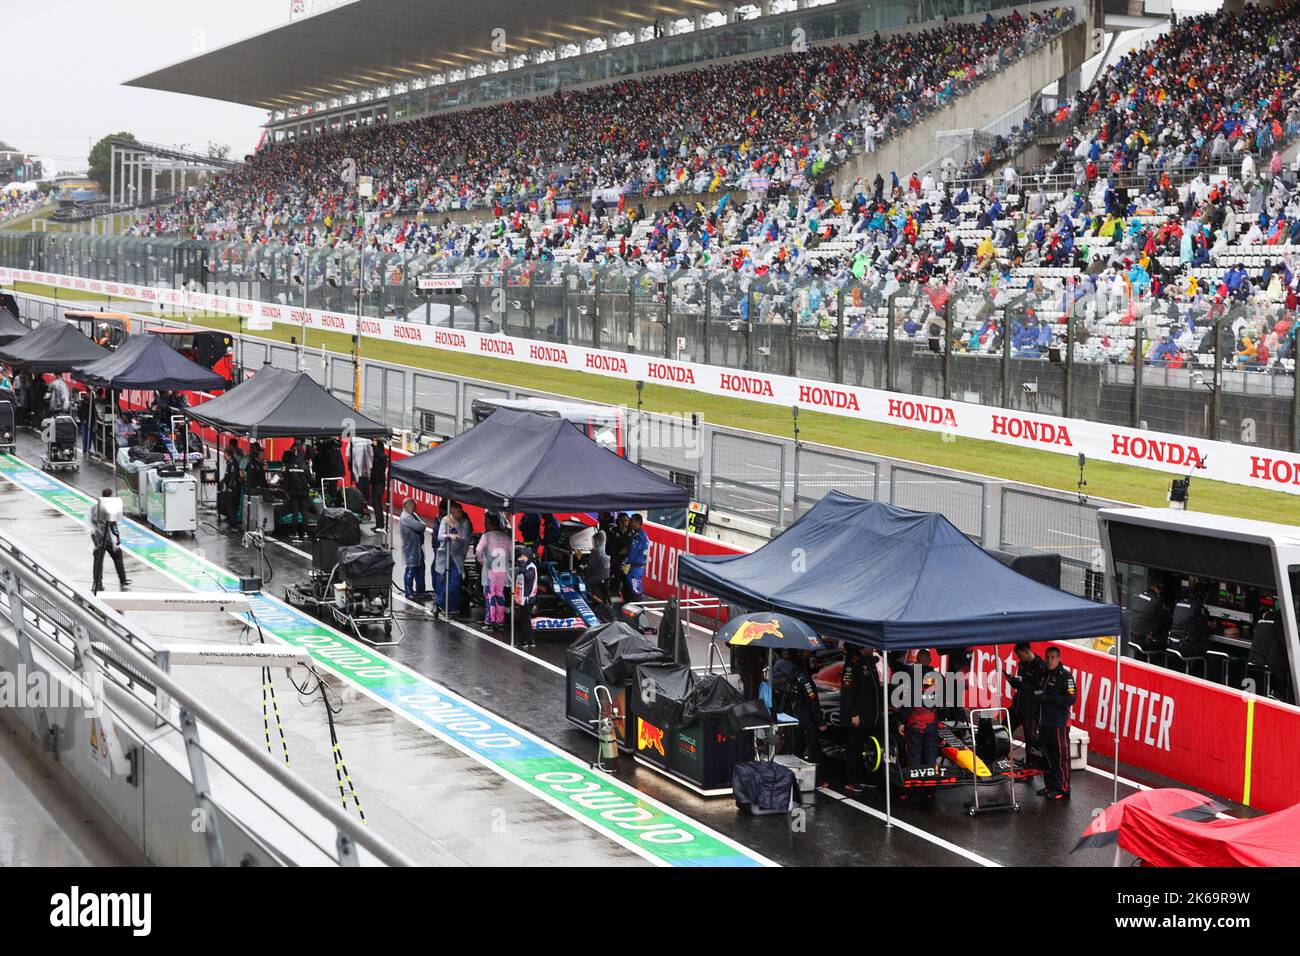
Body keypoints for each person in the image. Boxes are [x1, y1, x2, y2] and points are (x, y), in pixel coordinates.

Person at [1035, 645, 1077, 799]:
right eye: (1047, 657)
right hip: (1044, 722)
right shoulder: (1043, 674)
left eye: (1052, 657)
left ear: (1059, 659)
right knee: (1046, 756)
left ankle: (1063, 788)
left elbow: (1071, 699)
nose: (1049, 660)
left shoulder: (1066, 676)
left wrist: (1050, 698)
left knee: (1060, 756)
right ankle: (1050, 786)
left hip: (1058, 724)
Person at [841, 644, 882, 793]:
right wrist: (853, 713)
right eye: (869, 645)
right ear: (861, 647)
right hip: (858, 715)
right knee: (855, 747)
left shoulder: (870, 661)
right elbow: (848, 691)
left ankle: (867, 778)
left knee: (870, 747)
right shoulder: (852, 665)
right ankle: (852, 780)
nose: (872, 647)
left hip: (872, 714)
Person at [771, 648, 825, 764]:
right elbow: (812, 699)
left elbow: (785, 694)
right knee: (812, 747)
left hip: (788, 716)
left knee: (795, 748)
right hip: (804, 716)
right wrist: (820, 722)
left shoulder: (780, 666)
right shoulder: (800, 675)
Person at [1007, 641, 1046, 768]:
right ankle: (1003, 756)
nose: (1019, 658)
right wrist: (1012, 681)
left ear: (1027, 651)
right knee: (1004, 728)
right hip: (1018, 705)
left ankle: (1031, 763)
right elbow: (1020, 683)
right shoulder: (1022, 665)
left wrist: (1023, 685)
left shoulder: (1041, 667)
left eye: (1020, 655)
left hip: (1031, 710)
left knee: (1030, 738)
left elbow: (1039, 690)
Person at [900, 650, 940, 770]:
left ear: (917, 660)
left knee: (914, 755)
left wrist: (902, 721)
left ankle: (916, 785)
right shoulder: (937, 677)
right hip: (932, 723)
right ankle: (931, 785)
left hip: (916, 722)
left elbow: (908, 700)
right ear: (930, 660)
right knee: (931, 754)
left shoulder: (913, 675)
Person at [433, 501, 472, 616]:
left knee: (455, 582)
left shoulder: (464, 522)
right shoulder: (445, 520)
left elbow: (464, 538)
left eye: (459, 512)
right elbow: (440, 536)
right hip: (444, 554)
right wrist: (451, 536)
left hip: (457, 556)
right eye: (455, 512)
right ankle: (445, 606)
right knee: (441, 580)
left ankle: (442, 603)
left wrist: (453, 530)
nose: (458, 514)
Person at [88, 488, 128, 593]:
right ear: (110, 496)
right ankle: (123, 580)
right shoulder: (109, 507)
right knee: (117, 556)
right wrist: (117, 536)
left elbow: (90, 522)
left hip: (96, 537)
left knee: (98, 561)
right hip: (106, 538)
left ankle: (98, 583)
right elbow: (113, 524)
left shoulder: (94, 508)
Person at [476, 513, 513, 628]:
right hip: (502, 571)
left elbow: (478, 551)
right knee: (500, 595)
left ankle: (490, 621)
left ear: (488, 524)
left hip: (490, 571)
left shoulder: (486, 536)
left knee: (490, 595)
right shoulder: (507, 537)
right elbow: (512, 555)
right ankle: (500, 620)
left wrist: (482, 561)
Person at [1166, 584, 1211, 666]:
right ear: (1202, 595)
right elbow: (1204, 630)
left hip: (1172, 645)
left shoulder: (1178, 603)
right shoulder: (1198, 606)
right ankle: (1202, 677)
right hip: (1185, 648)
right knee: (1210, 651)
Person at [1128, 579, 1169, 658]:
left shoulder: (1140, 595)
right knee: (1166, 644)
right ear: (1159, 587)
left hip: (1132, 637)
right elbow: (1165, 620)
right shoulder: (1156, 600)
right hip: (1144, 641)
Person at [281, 441, 312, 540]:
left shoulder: (289, 467)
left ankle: (295, 533)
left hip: (293, 493)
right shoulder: (305, 467)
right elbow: (311, 480)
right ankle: (305, 533)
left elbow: (286, 480)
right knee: (304, 513)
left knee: (295, 513)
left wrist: (287, 491)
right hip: (304, 492)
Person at [398, 499, 427, 600]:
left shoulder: (412, 514)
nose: (415, 508)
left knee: (420, 569)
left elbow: (422, 524)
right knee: (411, 569)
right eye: (413, 506)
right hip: (410, 548)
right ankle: (409, 592)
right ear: (407, 505)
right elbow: (420, 526)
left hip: (417, 547)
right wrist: (423, 525)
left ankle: (420, 591)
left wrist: (423, 525)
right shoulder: (406, 517)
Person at [512, 548, 539, 647]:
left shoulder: (531, 567)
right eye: (521, 555)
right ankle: (528, 640)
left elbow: (529, 577)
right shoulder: (522, 566)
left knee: (525, 619)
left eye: (524, 556)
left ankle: (525, 640)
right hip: (521, 597)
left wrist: (523, 567)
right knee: (523, 619)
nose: (521, 558)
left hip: (528, 598)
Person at [621, 513, 649, 602]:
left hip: (635, 569)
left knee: (635, 591)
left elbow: (633, 552)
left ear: (638, 522)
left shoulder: (638, 536)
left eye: (632, 521)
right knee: (631, 591)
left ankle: (640, 612)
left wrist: (624, 562)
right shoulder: (642, 535)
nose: (629, 523)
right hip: (637, 567)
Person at [585, 529, 611, 608]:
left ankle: (586, 603)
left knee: (582, 583)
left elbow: (590, 568)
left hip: (596, 578)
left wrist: (584, 571)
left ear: (596, 540)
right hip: (606, 577)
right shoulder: (606, 550)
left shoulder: (596, 552)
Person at [369, 442, 388, 532]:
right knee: (376, 503)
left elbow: (382, 457)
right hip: (376, 482)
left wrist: (375, 446)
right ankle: (379, 524)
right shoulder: (377, 458)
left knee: (377, 504)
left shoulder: (382, 458)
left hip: (379, 483)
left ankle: (380, 524)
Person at [349, 435, 374, 500]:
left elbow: (349, 457)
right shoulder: (354, 441)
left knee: (362, 489)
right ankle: (364, 503)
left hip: (361, 471)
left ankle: (363, 503)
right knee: (364, 490)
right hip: (362, 470)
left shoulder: (354, 440)